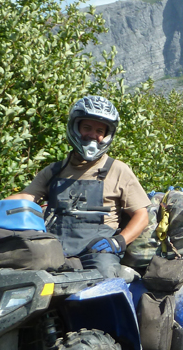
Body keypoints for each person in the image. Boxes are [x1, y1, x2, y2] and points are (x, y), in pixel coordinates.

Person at [8, 95, 150, 278]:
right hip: (55, 250)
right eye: (87, 127)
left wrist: (118, 242)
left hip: (98, 253)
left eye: (100, 130)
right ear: (75, 128)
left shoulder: (118, 170)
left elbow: (141, 215)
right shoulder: (54, 171)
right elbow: (26, 197)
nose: (93, 135)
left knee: (105, 284)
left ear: (107, 135)